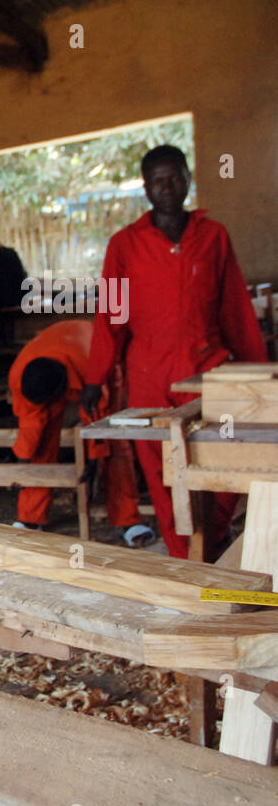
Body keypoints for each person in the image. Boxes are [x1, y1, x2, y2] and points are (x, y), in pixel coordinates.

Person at [81, 144, 266, 559]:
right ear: (146, 188)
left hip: (206, 370)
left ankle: (211, 535)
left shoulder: (213, 236)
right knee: (163, 472)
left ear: (188, 178)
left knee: (226, 460)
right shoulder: (123, 245)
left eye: (176, 177)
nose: (168, 187)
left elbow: (235, 308)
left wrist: (257, 373)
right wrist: (95, 378)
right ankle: (186, 558)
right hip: (148, 375)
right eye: (158, 180)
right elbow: (110, 316)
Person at [9, 319, 150, 545]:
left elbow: (98, 425)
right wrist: (23, 461)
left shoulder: (92, 367)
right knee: (41, 447)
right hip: (57, 357)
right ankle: (30, 518)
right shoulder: (20, 376)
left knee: (113, 445)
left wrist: (93, 459)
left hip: (95, 366)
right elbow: (30, 422)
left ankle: (129, 520)